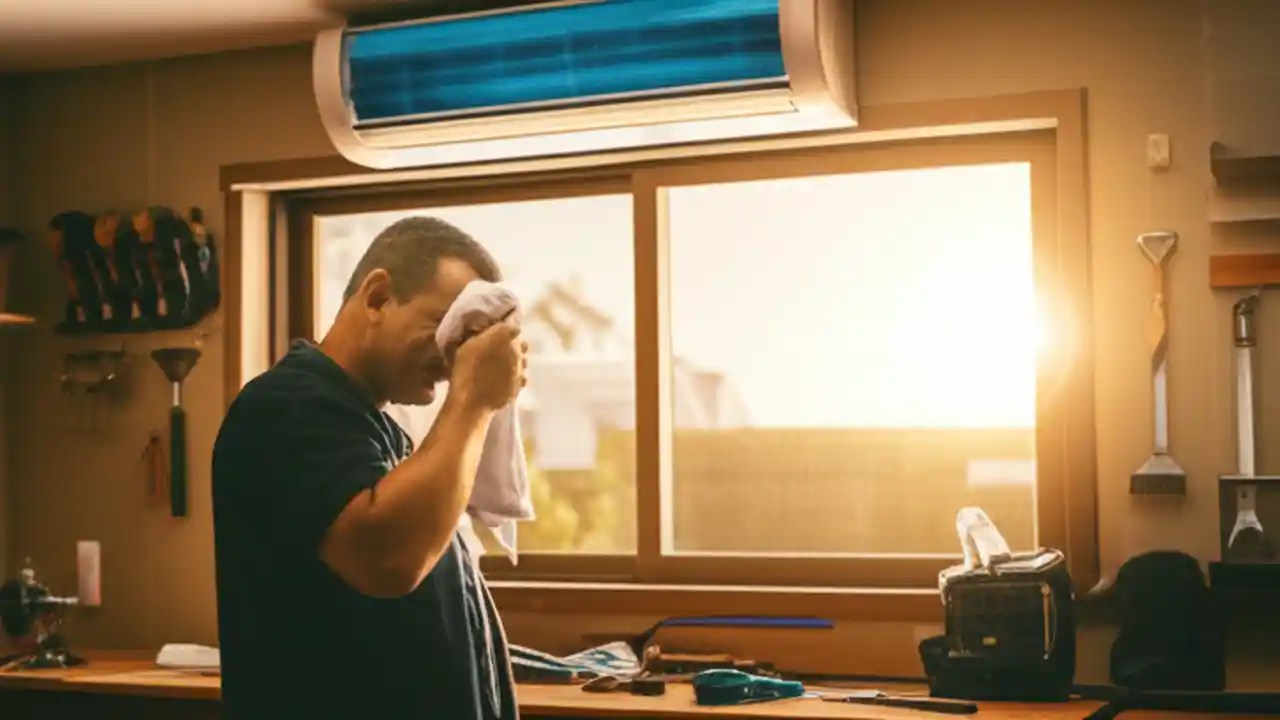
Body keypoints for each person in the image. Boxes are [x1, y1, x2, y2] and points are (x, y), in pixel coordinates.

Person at [212, 217, 527, 719]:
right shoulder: (285, 406)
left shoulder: (379, 433)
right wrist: (473, 401)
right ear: (378, 298)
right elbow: (388, 559)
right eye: (446, 325)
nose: (453, 360)